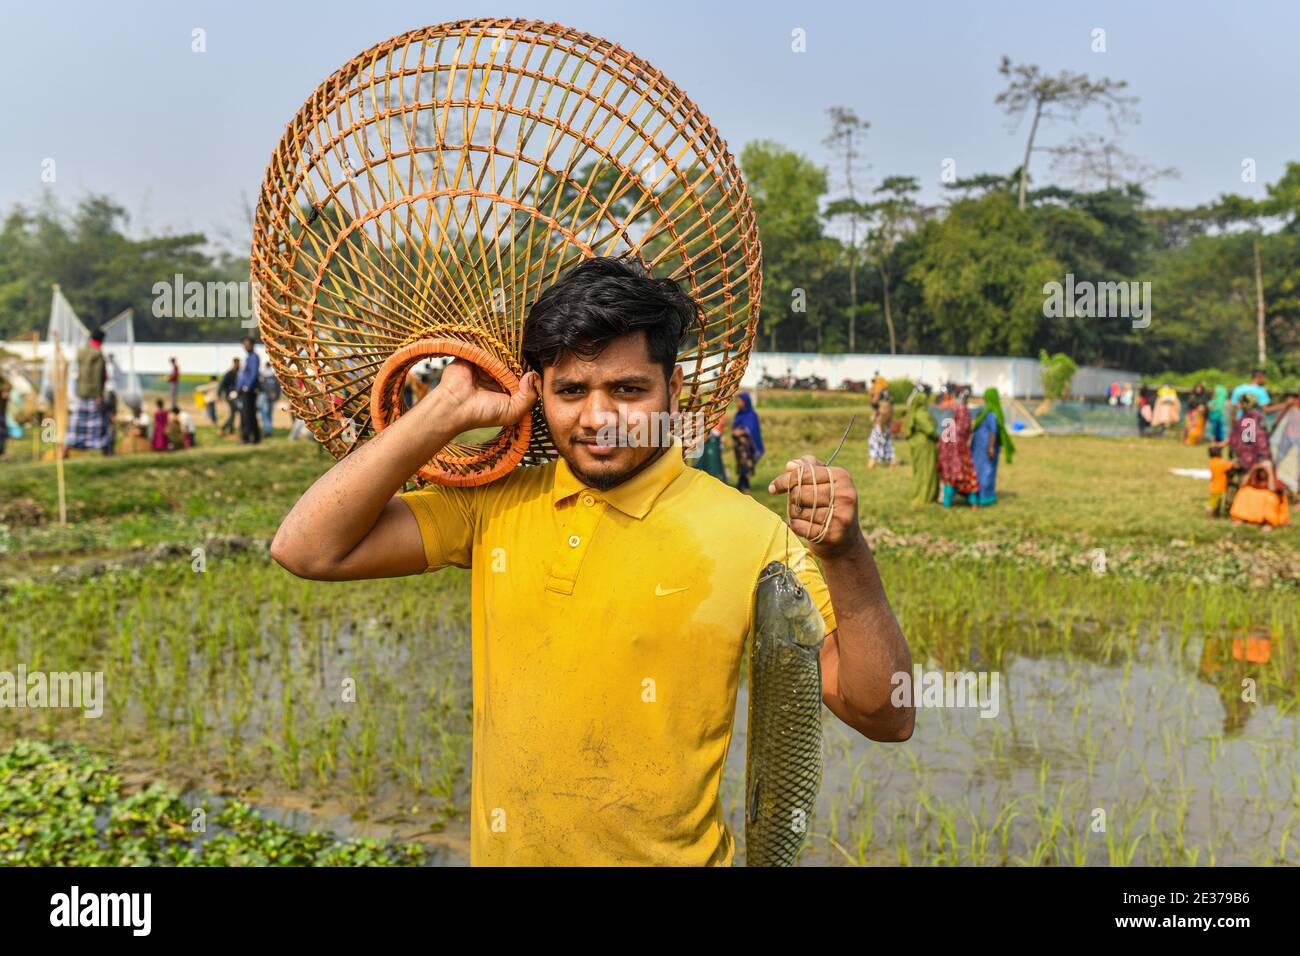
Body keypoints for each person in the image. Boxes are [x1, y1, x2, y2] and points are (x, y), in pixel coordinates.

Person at [270, 254, 914, 867]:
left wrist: (846, 554)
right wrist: (440, 412)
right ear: (535, 393)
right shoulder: (491, 506)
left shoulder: (754, 540)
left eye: (628, 389)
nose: (598, 417)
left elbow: (885, 714)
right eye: (570, 390)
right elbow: (307, 548)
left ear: (674, 388)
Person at [65, 327, 113, 457]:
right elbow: (98, 376)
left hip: (80, 393)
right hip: (93, 394)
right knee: (101, 424)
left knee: (76, 423)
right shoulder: (98, 354)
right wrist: (99, 395)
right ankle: (106, 451)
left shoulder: (81, 352)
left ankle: (66, 449)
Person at [971, 388, 1014, 507]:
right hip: (979, 447)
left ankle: (985, 496)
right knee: (980, 470)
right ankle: (977, 494)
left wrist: (990, 447)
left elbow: (993, 431)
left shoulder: (991, 413)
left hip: (986, 447)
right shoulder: (989, 411)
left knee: (986, 471)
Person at [937, 390, 980, 507]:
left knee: (949, 480)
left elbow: (942, 446)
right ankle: (973, 503)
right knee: (968, 477)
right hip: (963, 458)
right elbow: (968, 432)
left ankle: (946, 503)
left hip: (951, 464)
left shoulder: (950, 428)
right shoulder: (963, 426)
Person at [900, 387, 938, 508]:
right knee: (926, 471)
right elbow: (930, 430)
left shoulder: (915, 413)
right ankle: (924, 496)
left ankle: (922, 495)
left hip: (918, 445)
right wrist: (941, 438)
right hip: (925, 446)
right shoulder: (922, 415)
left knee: (920, 471)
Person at [1229, 464, 1290, 531]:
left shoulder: (1274, 478)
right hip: (1256, 499)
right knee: (1244, 492)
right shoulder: (1255, 477)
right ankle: (1240, 518)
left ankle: (1269, 523)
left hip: (1270, 502)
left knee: (1270, 497)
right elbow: (1243, 484)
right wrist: (1253, 469)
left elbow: (1272, 488)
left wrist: (1269, 472)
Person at [1229, 393, 1273, 481]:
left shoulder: (1248, 419)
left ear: (1244, 404)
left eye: (1239, 403)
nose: (1237, 405)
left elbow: (1247, 444)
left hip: (1253, 460)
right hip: (1264, 456)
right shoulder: (1259, 416)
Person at [731, 391, 763, 493]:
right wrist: (735, 432)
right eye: (736, 401)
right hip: (739, 445)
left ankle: (742, 486)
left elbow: (752, 429)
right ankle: (743, 485)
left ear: (745, 401)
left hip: (748, 446)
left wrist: (741, 432)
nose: (737, 403)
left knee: (745, 464)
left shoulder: (751, 415)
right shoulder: (738, 414)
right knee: (741, 465)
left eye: (739, 401)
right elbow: (734, 427)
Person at [236, 338, 261, 445]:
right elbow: (244, 375)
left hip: (249, 391)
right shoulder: (248, 357)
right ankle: (256, 438)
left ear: (252, 345)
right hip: (245, 390)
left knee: (246, 415)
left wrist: (247, 387)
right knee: (250, 415)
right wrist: (238, 388)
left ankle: (245, 438)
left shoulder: (254, 357)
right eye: (244, 344)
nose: (245, 346)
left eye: (247, 344)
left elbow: (254, 374)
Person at [1206, 444, 1233, 519]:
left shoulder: (1212, 462)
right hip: (1218, 487)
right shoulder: (1220, 463)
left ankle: (1217, 515)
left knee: (1217, 503)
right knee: (1212, 503)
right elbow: (1231, 465)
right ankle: (1209, 517)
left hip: (1213, 486)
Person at [868, 398, 896, 468]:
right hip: (877, 435)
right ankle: (872, 463)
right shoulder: (879, 414)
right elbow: (874, 420)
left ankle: (891, 462)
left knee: (888, 449)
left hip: (885, 434)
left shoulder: (886, 414)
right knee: (875, 451)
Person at [258, 360, 281, 437]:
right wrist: (277, 396)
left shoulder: (263, 374)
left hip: (265, 395)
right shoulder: (274, 375)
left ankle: (267, 430)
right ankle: (269, 429)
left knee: (264, 413)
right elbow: (279, 386)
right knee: (270, 414)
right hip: (273, 396)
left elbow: (261, 386)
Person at [219, 359, 240, 435]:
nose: (238, 365)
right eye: (237, 363)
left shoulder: (239, 372)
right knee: (233, 413)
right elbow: (222, 384)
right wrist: (219, 394)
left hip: (236, 396)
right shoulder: (229, 373)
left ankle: (226, 428)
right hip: (229, 397)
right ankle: (229, 430)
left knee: (235, 412)